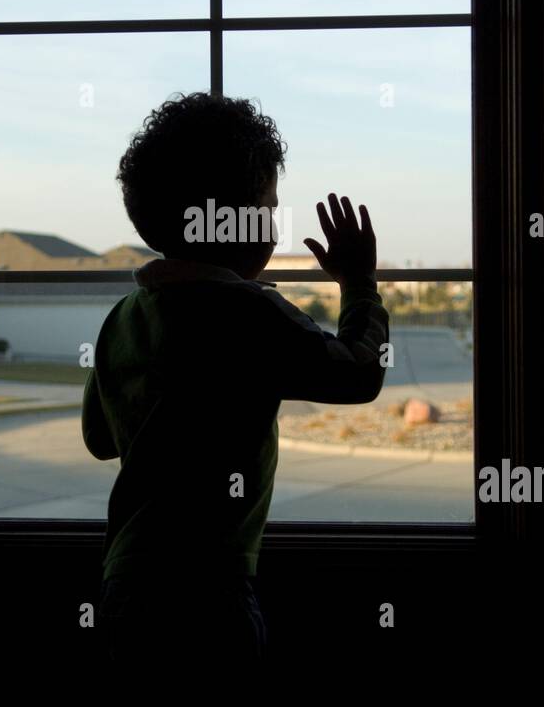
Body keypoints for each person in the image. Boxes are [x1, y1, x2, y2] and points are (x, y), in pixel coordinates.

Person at [82, 90, 389, 665]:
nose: (275, 227)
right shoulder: (250, 312)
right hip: (210, 588)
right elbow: (359, 375)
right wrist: (359, 284)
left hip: (123, 580)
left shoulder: (121, 319)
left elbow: (101, 439)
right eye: (268, 209)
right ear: (231, 222)